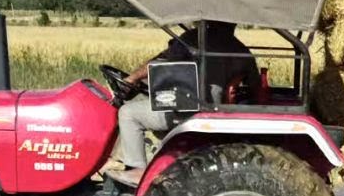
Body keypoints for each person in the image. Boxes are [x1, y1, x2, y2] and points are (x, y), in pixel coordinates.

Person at [109, 20, 260, 186]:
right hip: (217, 111)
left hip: (189, 109)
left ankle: (138, 170)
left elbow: (163, 62)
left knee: (128, 113)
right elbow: (255, 84)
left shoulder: (193, 38)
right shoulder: (241, 50)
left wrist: (132, 79)